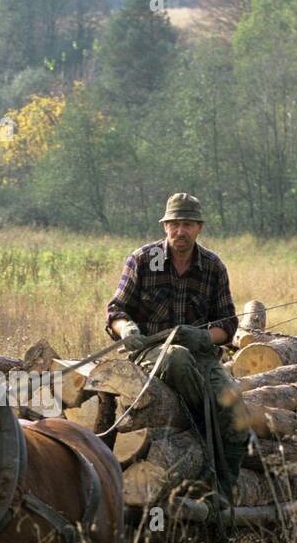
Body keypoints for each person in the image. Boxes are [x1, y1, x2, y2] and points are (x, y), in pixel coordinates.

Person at [105, 193, 251, 509]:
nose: (179, 231)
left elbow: (227, 324)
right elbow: (116, 311)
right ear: (165, 226)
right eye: (174, 224)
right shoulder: (142, 260)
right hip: (151, 353)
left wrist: (201, 336)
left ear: (198, 228)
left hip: (202, 356)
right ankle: (204, 427)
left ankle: (222, 491)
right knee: (176, 357)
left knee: (237, 408)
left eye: (187, 224)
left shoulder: (212, 267)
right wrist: (127, 329)